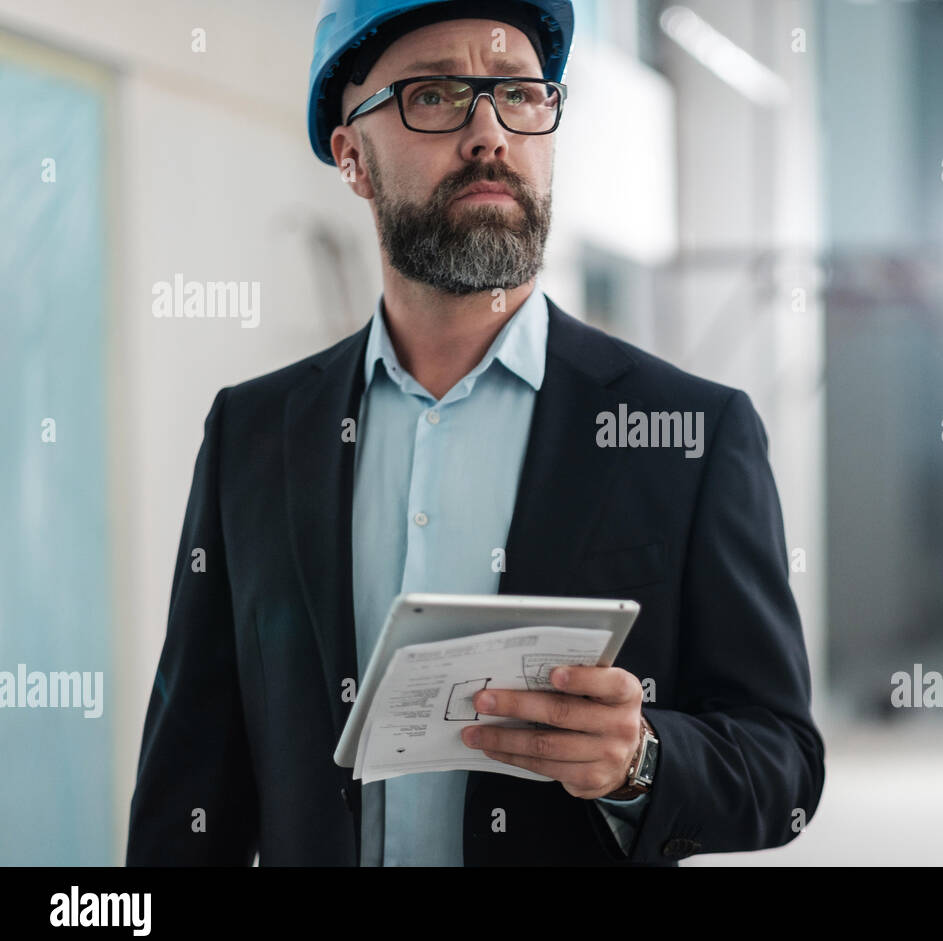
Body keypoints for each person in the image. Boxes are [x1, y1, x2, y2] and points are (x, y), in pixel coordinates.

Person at [126, 0, 824, 866]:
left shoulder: (689, 433)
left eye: (521, 95)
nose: (489, 132)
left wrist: (639, 762)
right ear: (353, 157)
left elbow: (784, 765)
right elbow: (189, 782)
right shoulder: (255, 433)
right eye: (435, 95)